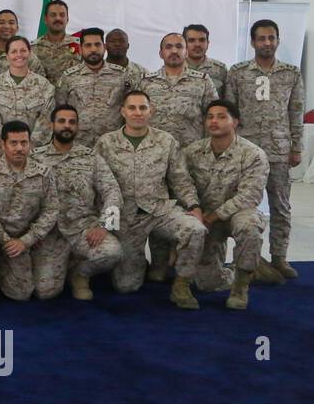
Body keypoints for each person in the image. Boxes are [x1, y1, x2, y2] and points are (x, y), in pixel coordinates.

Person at [95, 90, 208, 306]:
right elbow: (98, 185)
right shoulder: (106, 143)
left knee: (195, 229)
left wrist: (194, 205)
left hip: (160, 211)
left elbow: (180, 179)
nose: (137, 112)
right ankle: (141, 262)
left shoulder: (166, 141)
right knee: (125, 287)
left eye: (142, 108)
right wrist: (102, 222)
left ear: (150, 111)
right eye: (132, 108)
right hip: (125, 217)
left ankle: (181, 285)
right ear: (123, 111)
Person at [225, 19, 305, 281]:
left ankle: (279, 258)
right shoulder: (238, 72)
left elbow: (296, 112)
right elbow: (230, 112)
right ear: (252, 42)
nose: (267, 43)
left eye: (271, 38)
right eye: (262, 38)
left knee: (280, 207)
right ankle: (247, 260)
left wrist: (297, 147)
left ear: (278, 40)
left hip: (279, 151)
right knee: (243, 208)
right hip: (245, 153)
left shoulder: (291, 73)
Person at [182, 100, 269, 310]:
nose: (214, 121)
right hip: (204, 218)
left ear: (235, 122)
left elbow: (250, 196)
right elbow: (182, 185)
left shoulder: (253, 154)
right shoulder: (192, 152)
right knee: (207, 285)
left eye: (221, 117)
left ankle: (241, 285)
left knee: (249, 226)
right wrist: (196, 213)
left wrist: (213, 217)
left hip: (236, 214)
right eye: (210, 117)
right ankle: (240, 270)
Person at [32, 106, 122, 300]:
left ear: (77, 126)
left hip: (83, 229)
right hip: (49, 233)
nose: (67, 126)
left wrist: (104, 225)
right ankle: (63, 263)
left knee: (112, 253)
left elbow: (112, 191)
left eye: (72, 122)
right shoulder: (35, 158)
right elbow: (24, 198)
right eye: (62, 121)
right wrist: (31, 232)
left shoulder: (91, 158)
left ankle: (80, 274)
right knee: (46, 292)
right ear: (52, 125)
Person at [0, 121, 61, 301]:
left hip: (20, 241)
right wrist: (3, 238)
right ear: (2, 144)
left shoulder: (43, 172)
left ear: (30, 144)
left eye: (24, 143)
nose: (19, 148)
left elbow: (51, 210)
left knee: (22, 293)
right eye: (13, 143)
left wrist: (28, 240)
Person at [54, 27, 132, 148]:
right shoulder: (68, 77)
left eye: (97, 44)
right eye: (88, 45)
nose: (93, 49)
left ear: (104, 47)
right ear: (80, 49)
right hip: (78, 146)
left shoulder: (122, 75)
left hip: (113, 146)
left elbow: (131, 109)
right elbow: (59, 111)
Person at [139, 32, 217, 148]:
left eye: (179, 47)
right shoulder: (145, 82)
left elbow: (213, 116)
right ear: (161, 53)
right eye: (169, 47)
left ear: (186, 52)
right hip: (154, 152)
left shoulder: (203, 81)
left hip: (191, 152)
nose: (174, 51)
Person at [0, 36, 54, 157]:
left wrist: (28, 148)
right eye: (14, 51)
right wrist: (9, 147)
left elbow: (46, 123)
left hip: (33, 155)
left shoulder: (45, 86)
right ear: (7, 55)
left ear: (30, 53)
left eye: (23, 50)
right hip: (1, 155)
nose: (19, 55)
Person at [32, 0, 80, 84]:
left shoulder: (80, 46)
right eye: (53, 15)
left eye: (62, 15)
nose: (58, 18)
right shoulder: (32, 48)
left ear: (67, 19)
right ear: (45, 19)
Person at [0, 9, 46, 75]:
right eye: (1, 22)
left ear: (17, 28)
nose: (6, 26)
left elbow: (40, 82)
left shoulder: (28, 57)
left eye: (11, 23)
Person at [182, 24, 229, 92]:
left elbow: (227, 100)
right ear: (184, 43)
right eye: (191, 40)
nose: (197, 44)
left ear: (208, 43)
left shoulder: (221, 69)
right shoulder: (175, 68)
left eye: (202, 40)